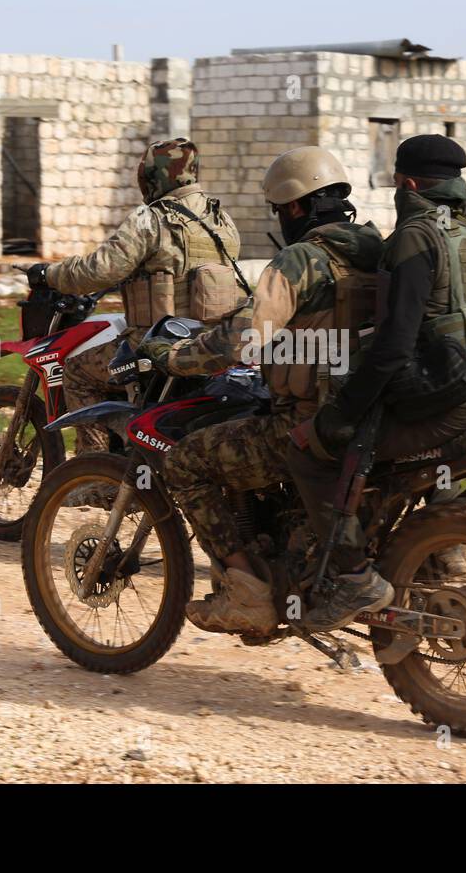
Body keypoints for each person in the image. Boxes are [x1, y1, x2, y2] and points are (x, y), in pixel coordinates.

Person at [285, 133, 466, 632]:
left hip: (455, 401)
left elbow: (393, 349)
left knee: (311, 454)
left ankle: (352, 579)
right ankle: (436, 548)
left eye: (397, 183)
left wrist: (335, 420)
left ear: (408, 184)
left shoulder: (416, 238)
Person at [139, 147, 384, 636]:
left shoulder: (301, 260)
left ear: (295, 207)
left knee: (186, 462)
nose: (281, 219)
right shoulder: (377, 248)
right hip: (368, 414)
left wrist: (175, 356)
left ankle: (247, 593)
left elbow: (245, 339)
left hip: (304, 422)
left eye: (279, 210)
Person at [26, 137, 245, 450]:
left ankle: (94, 474)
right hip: (212, 342)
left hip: (154, 342)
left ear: (154, 177)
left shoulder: (152, 219)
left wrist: (51, 274)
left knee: (76, 372)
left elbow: (99, 270)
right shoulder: (222, 220)